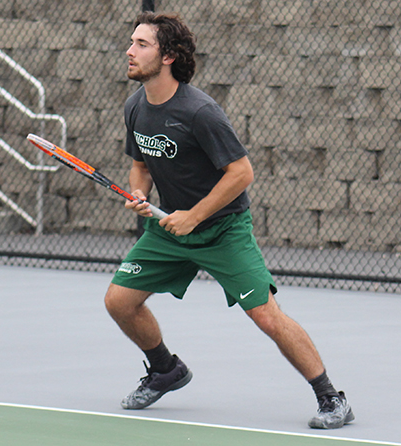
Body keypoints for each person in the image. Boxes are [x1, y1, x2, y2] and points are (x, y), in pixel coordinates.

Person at [103, 11, 354, 430]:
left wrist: (195, 216)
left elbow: (242, 173)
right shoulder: (136, 106)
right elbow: (140, 164)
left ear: (168, 56)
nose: (129, 51)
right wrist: (140, 193)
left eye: (141, 44)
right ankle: (166, 370)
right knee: (119, 301)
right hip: (169, 231)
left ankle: (332, 398)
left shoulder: (201, 111)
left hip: (223, 230)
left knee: (266, 315)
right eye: (131, 42)